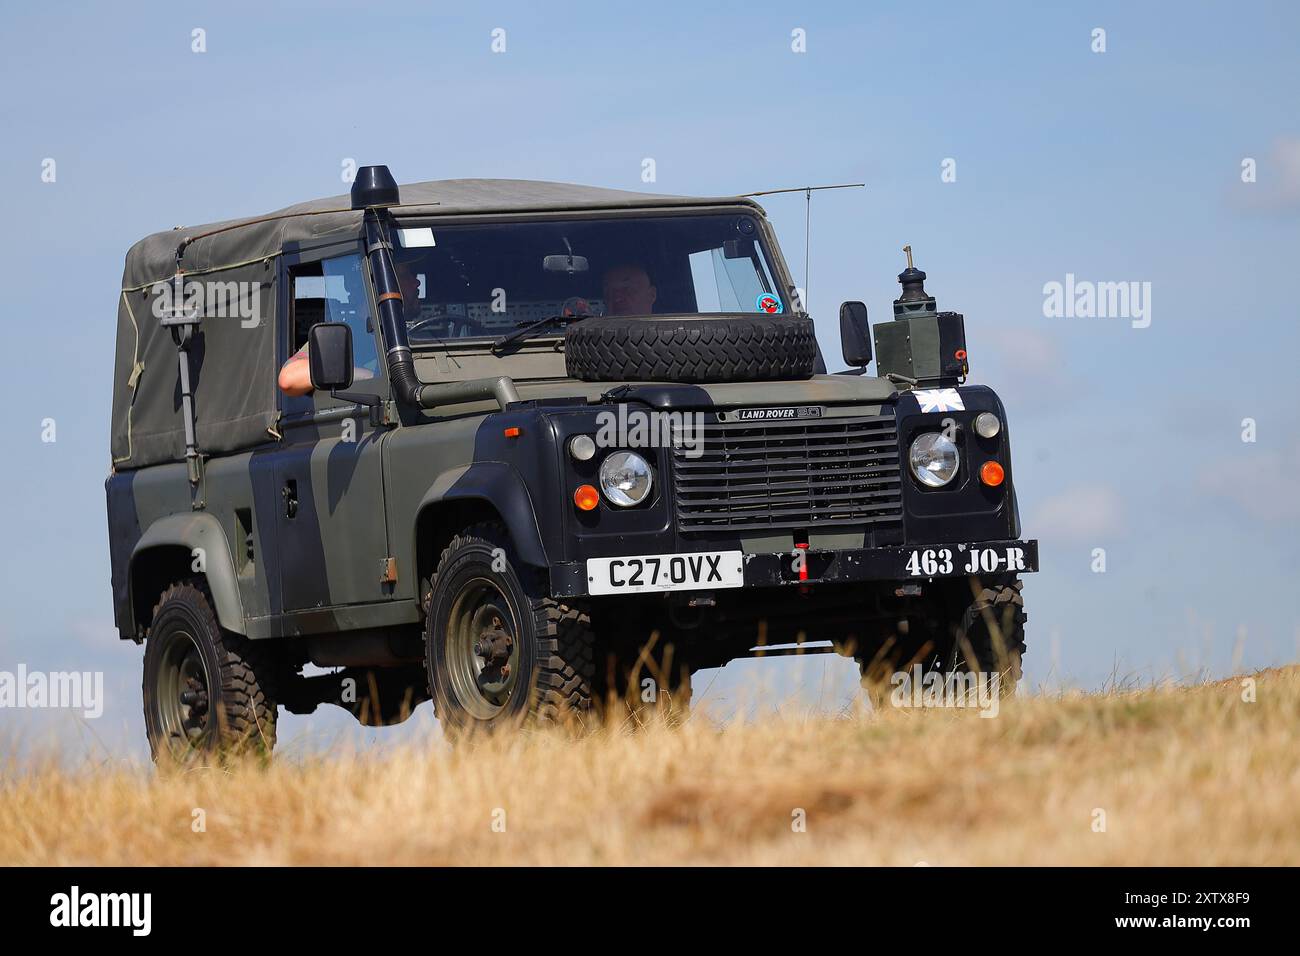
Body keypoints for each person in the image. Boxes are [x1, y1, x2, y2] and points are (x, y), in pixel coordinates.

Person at [278, 256, 421, 396]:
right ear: (377, 287)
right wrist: (372, 377)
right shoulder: (349, 334)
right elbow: (289, 377)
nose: (416, 283)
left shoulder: (413, 332)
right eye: (406, 276)